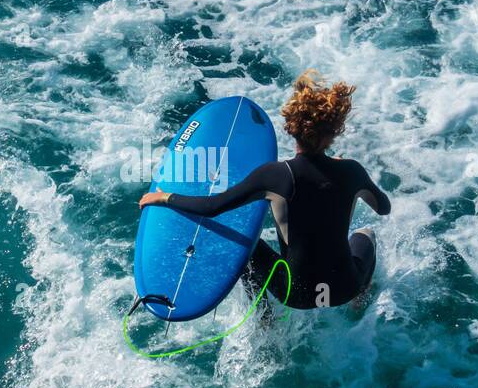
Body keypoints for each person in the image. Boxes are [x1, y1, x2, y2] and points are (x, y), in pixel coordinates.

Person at [139, 72, 391, 309]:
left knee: (247, 248)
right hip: (343, 288)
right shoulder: (352, 171)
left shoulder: (275, 175)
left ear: (290, 127)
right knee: (366, 233)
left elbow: (211, 207)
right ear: (335, 130)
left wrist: (163, 197)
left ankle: (264, 317)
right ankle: (360, 298)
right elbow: (383, 208)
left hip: (296, 294)